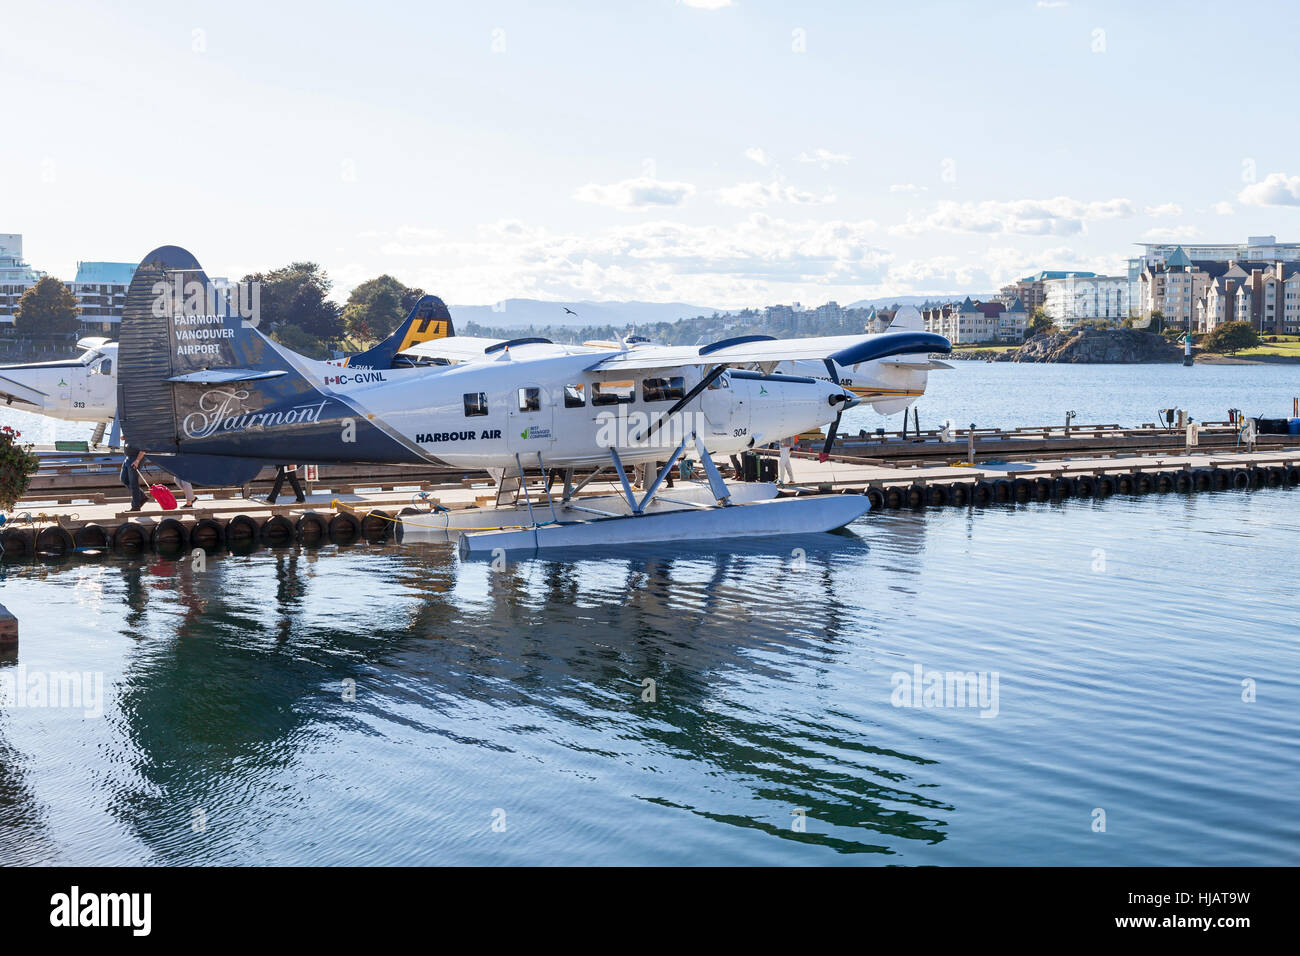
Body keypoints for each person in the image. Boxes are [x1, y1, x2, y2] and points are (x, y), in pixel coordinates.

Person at [122, 444, 148, 511]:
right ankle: (142, 496)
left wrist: (137, 460)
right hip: (128, 457)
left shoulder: (140, 433)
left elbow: (144, 447)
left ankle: (136, 506)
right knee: (124, 479)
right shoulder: (129, 433)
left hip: (135, 458)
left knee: (133, 483)